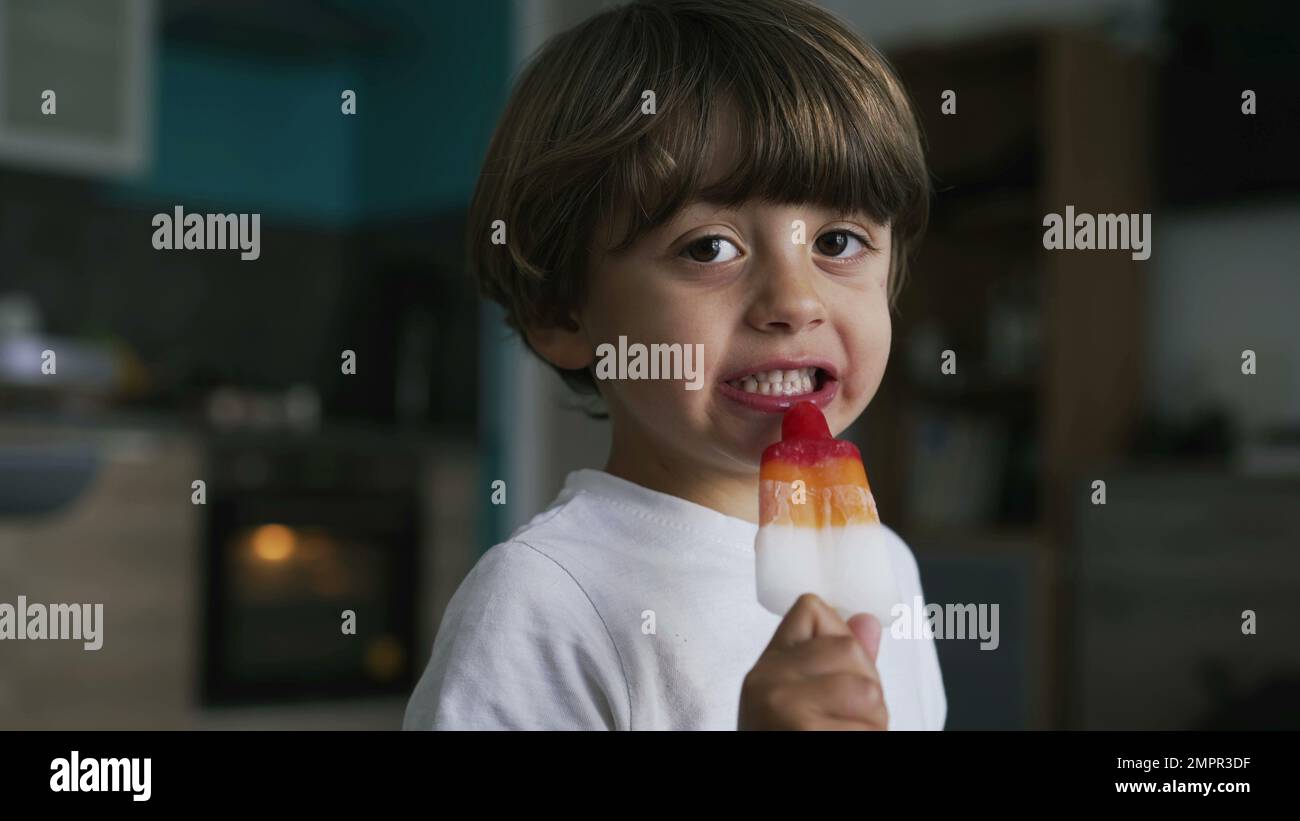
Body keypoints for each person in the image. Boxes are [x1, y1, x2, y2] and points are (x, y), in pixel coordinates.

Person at [404, 0, 945, 730]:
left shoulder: (887, 567)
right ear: (563, 315)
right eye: (709, 247)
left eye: (838, 242)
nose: (795, 302)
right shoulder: (540, 604)